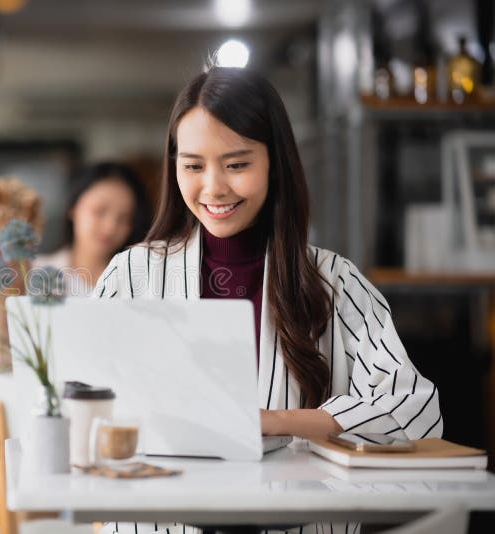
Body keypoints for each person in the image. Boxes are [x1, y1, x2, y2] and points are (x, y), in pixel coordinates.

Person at [93, 67, 442, 534]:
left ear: (275, 163)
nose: (213, 187)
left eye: (237, 164)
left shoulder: (334, 282)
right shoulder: (131, 275)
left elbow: (415, 409)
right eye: (193, 166)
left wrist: (276, 422)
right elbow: (76, 406)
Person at [36, 162, 150, 296]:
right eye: (99, 211)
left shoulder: (142, 285)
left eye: (124, 218)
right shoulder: (34, 273)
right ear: (73, 207)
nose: (110, 228)